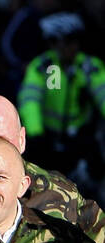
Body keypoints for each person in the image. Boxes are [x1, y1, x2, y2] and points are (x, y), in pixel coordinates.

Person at [17, 12, 105, 186]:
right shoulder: (45, 66)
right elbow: (30, 99)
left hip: (81, 136)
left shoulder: (88, 67)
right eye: (56, 42)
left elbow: (102, 93)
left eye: (72, 41)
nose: (66, 47)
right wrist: (35, 132)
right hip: (48, 137)